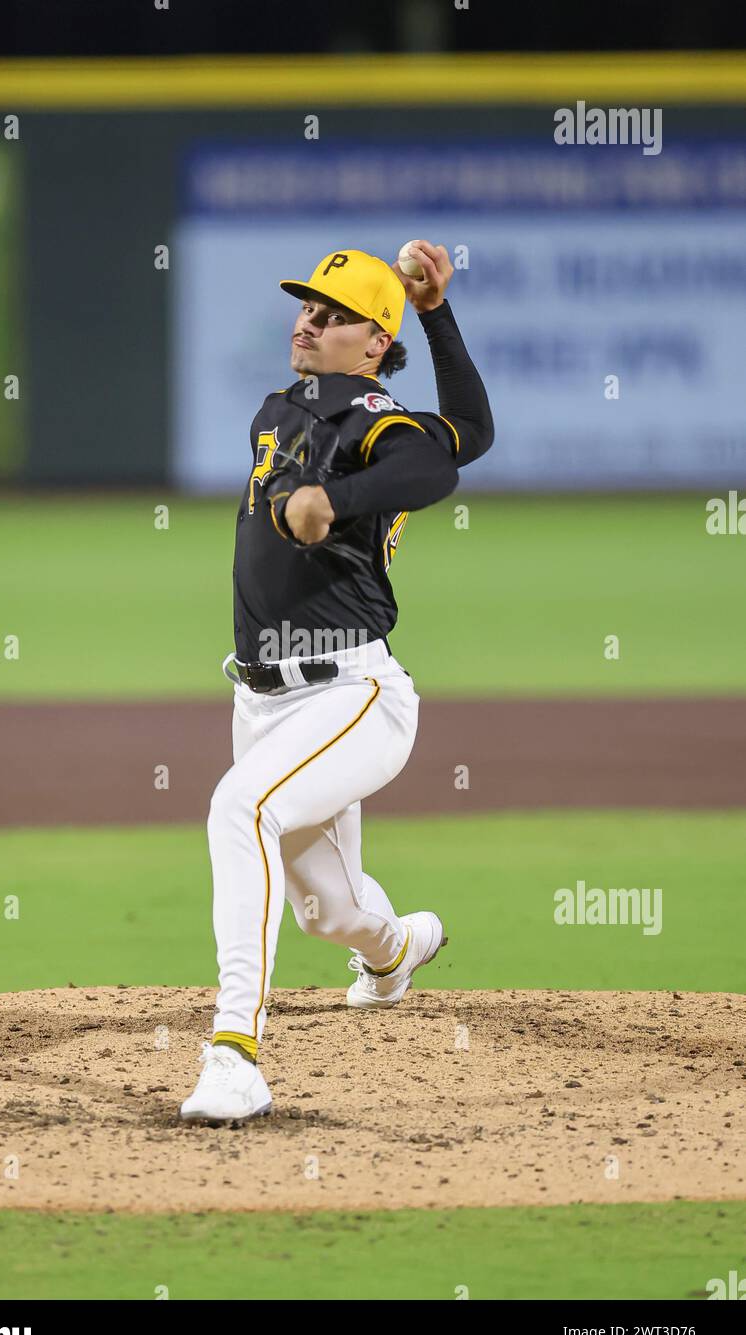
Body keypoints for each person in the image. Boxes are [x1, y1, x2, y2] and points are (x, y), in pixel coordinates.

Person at [180, 241, 494, 1122]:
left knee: (240, 808)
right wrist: (434, 310)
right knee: (330, 911)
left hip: (353, 695)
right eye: (306, 306)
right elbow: (472, 426)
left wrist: (342, 501)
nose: (308, 321)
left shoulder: (371, 415)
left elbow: (446, 458)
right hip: (261, 697)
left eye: (332, 313)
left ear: (373, 342)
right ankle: (396, 951)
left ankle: (235, 1052)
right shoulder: (283, 407)